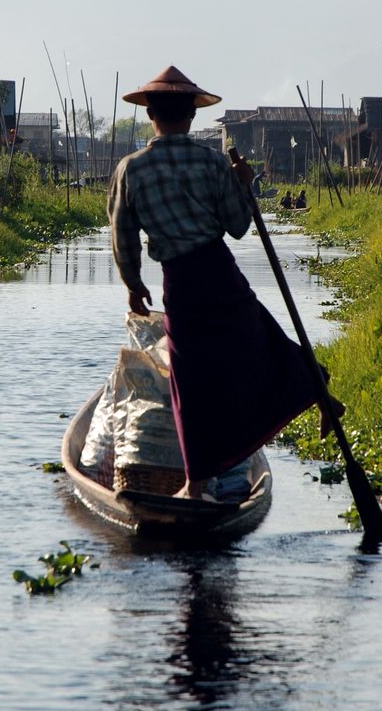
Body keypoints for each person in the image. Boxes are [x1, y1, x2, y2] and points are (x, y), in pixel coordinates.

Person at [108, 66, 335, 500]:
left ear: (151, 114)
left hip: (181, 281)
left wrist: (133, 284)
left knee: (189, 380)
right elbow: (236, 226)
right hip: (219, 269)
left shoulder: (130, 169)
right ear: (191, 116)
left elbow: (123, 234)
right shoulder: (212, 162)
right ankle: (319, 392)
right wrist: (245, 187)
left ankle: (196, 484)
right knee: (261, 339)